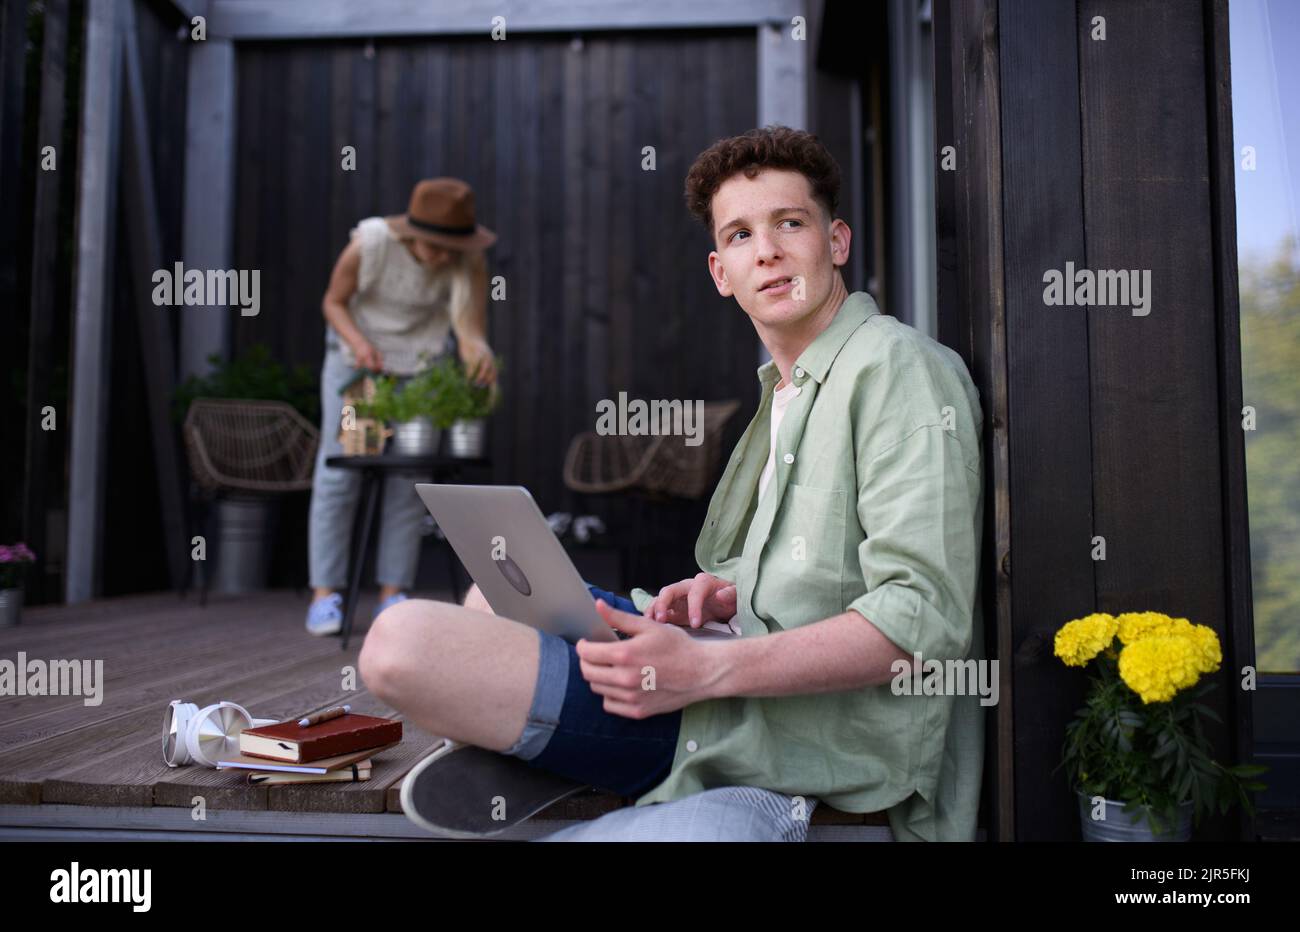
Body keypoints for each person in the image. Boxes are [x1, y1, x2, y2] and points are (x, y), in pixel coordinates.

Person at [359, 127, 986, 842]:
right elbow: (820, 567)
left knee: (401, 643)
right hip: (726, 668)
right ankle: (569, 741)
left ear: (836, 241)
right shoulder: (788, 389)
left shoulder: (897, 370)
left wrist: (703, 672)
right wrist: (723, 590)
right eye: (742, 235)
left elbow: (921, 621)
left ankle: (571, 747)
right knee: (487, 597)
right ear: (722, 272)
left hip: (788, 733)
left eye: (790, 223)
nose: (768, 251)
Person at [305, 178, 499, 636]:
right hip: (359, 371)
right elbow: (333, 302)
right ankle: (324, 595)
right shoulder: (369, 244)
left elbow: (469, 328)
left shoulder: (467, 257)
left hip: (424, 372)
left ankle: (392, 594)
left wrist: (476, 353)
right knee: (342, 471)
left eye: (457, 246)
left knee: (409, 477)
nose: (448, 255)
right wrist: (358, 343)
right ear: (413, 235)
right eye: (439, 245)